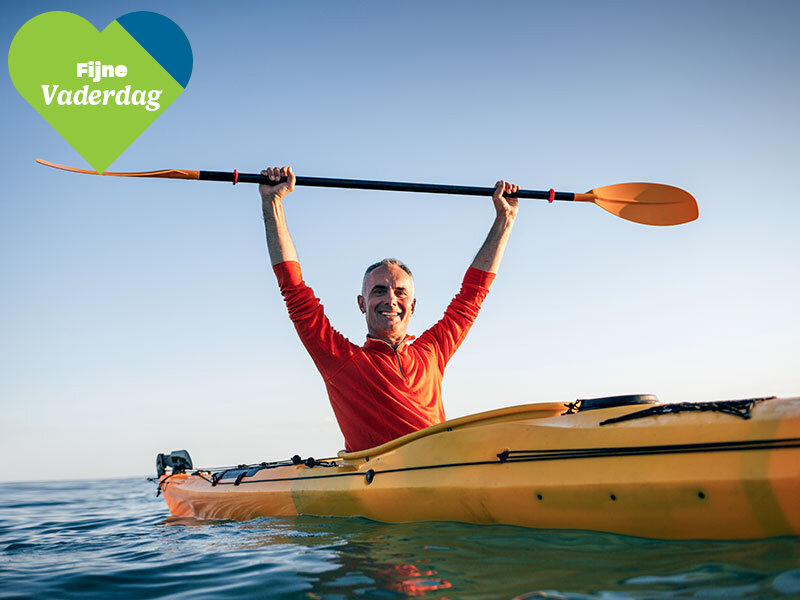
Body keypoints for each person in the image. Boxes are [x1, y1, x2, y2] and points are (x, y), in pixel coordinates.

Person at [260, 166, 519, 452]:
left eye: (400, 292)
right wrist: (273, 202)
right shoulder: (341, 361)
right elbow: (295, 293)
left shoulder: (431, 351)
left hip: (441, 470)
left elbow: (472, 296)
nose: (391, 300)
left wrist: (505, 219)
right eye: (379, 291)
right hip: (380, 482)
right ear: (361, 303)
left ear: (413, 305)